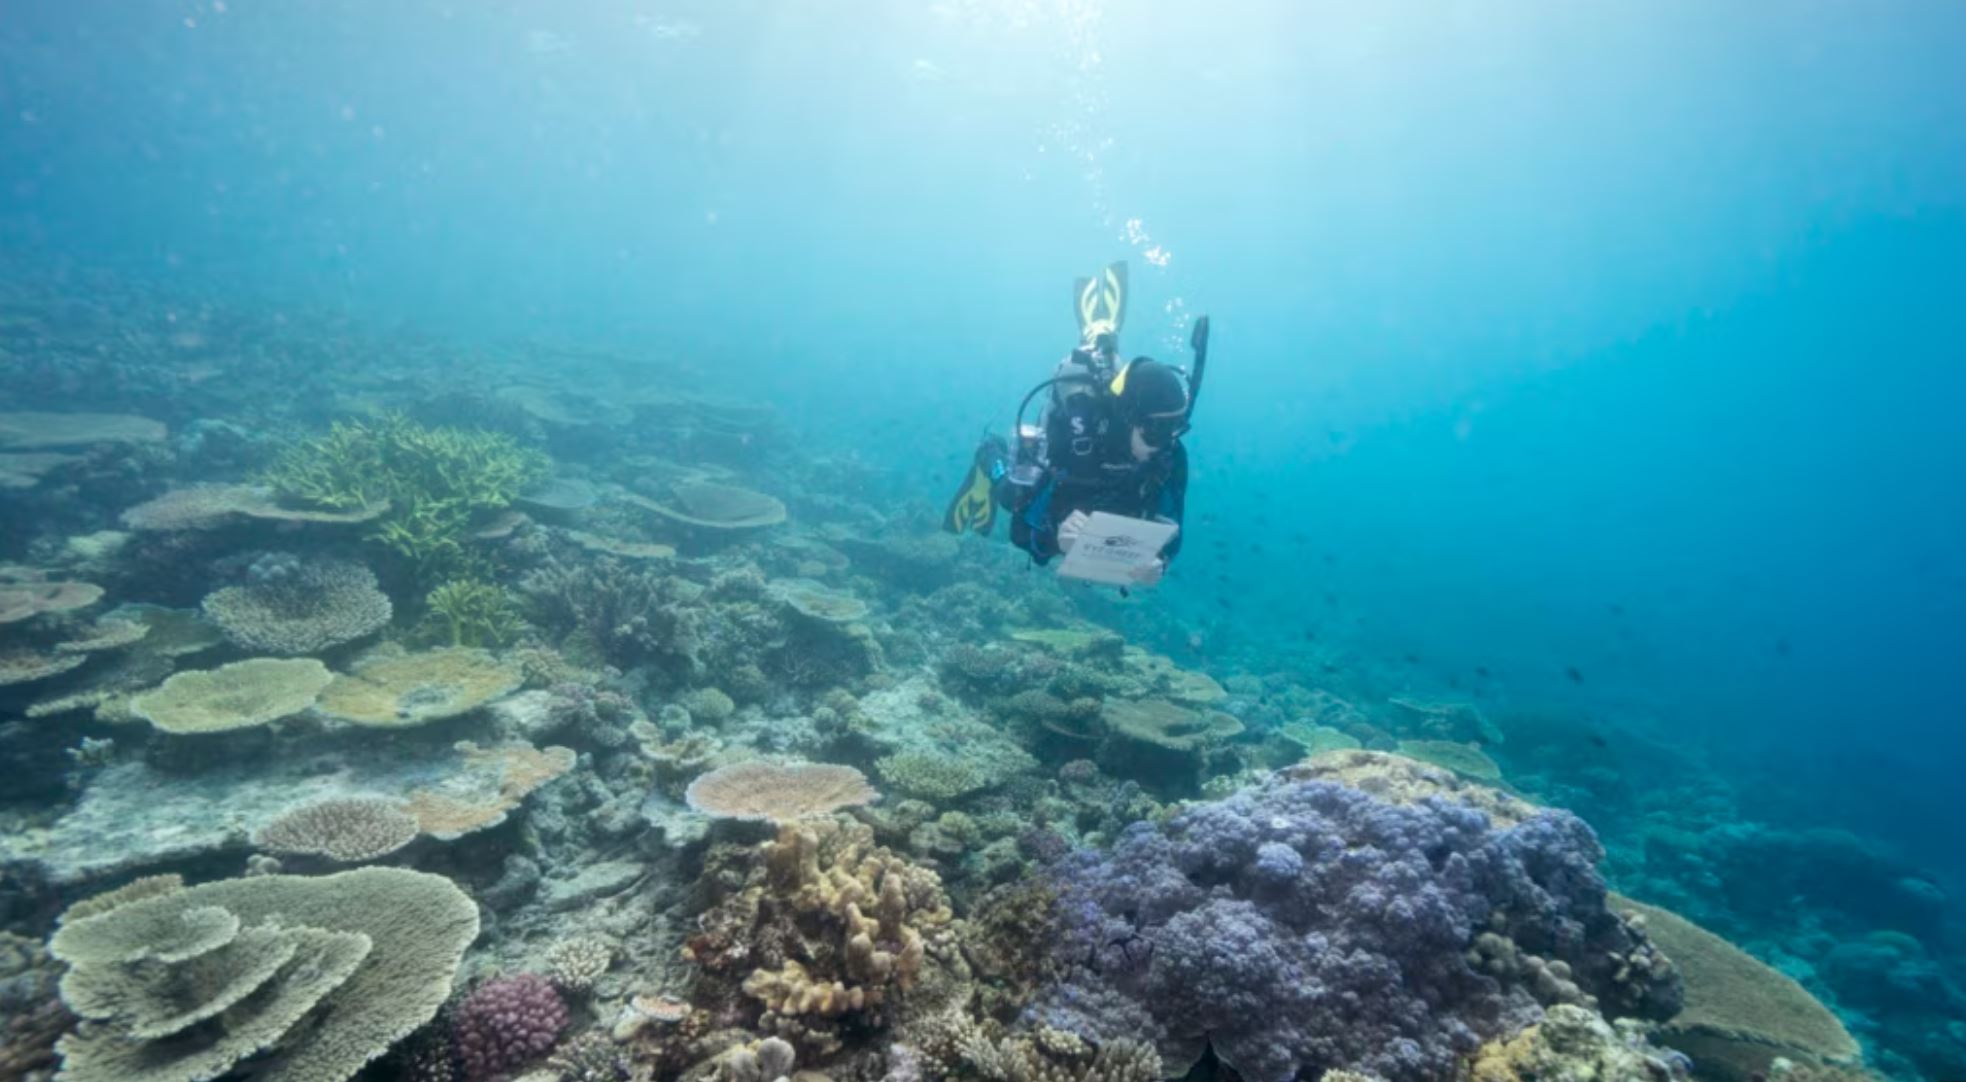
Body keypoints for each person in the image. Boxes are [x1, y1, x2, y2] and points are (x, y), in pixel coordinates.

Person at [943, 261, 1208, 588]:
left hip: (1101, 497)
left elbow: (1172, 527)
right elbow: (1022, 534)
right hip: (1068, 477)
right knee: (1011, 493)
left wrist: (1161, 562)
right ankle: (989, 456)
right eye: (1155, 430)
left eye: (1176, 427)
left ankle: (1103, 337)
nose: (1165, 442)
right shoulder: (1076, 432)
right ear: (1128, 419)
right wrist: (1057, 540)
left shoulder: (1168, 453)